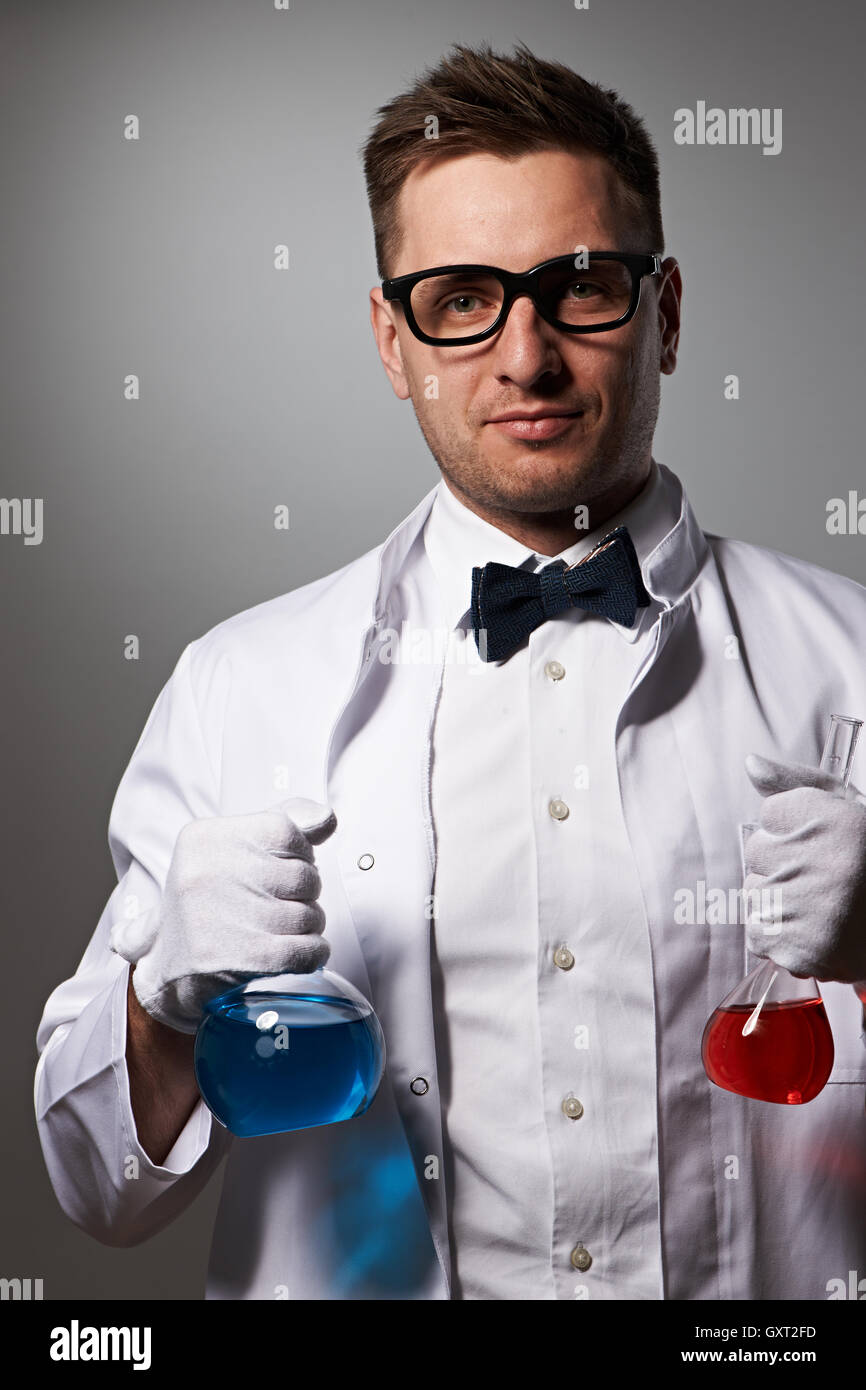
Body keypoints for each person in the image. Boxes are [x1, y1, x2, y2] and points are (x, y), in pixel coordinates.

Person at [35, 41, 866, 1302]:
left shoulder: (852, 663)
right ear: (389, 335)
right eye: (458, 296)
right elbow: (97, 1192)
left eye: (579, 286)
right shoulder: (236, 687)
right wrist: (161, 1002)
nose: (523, 355)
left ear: (669, 312)